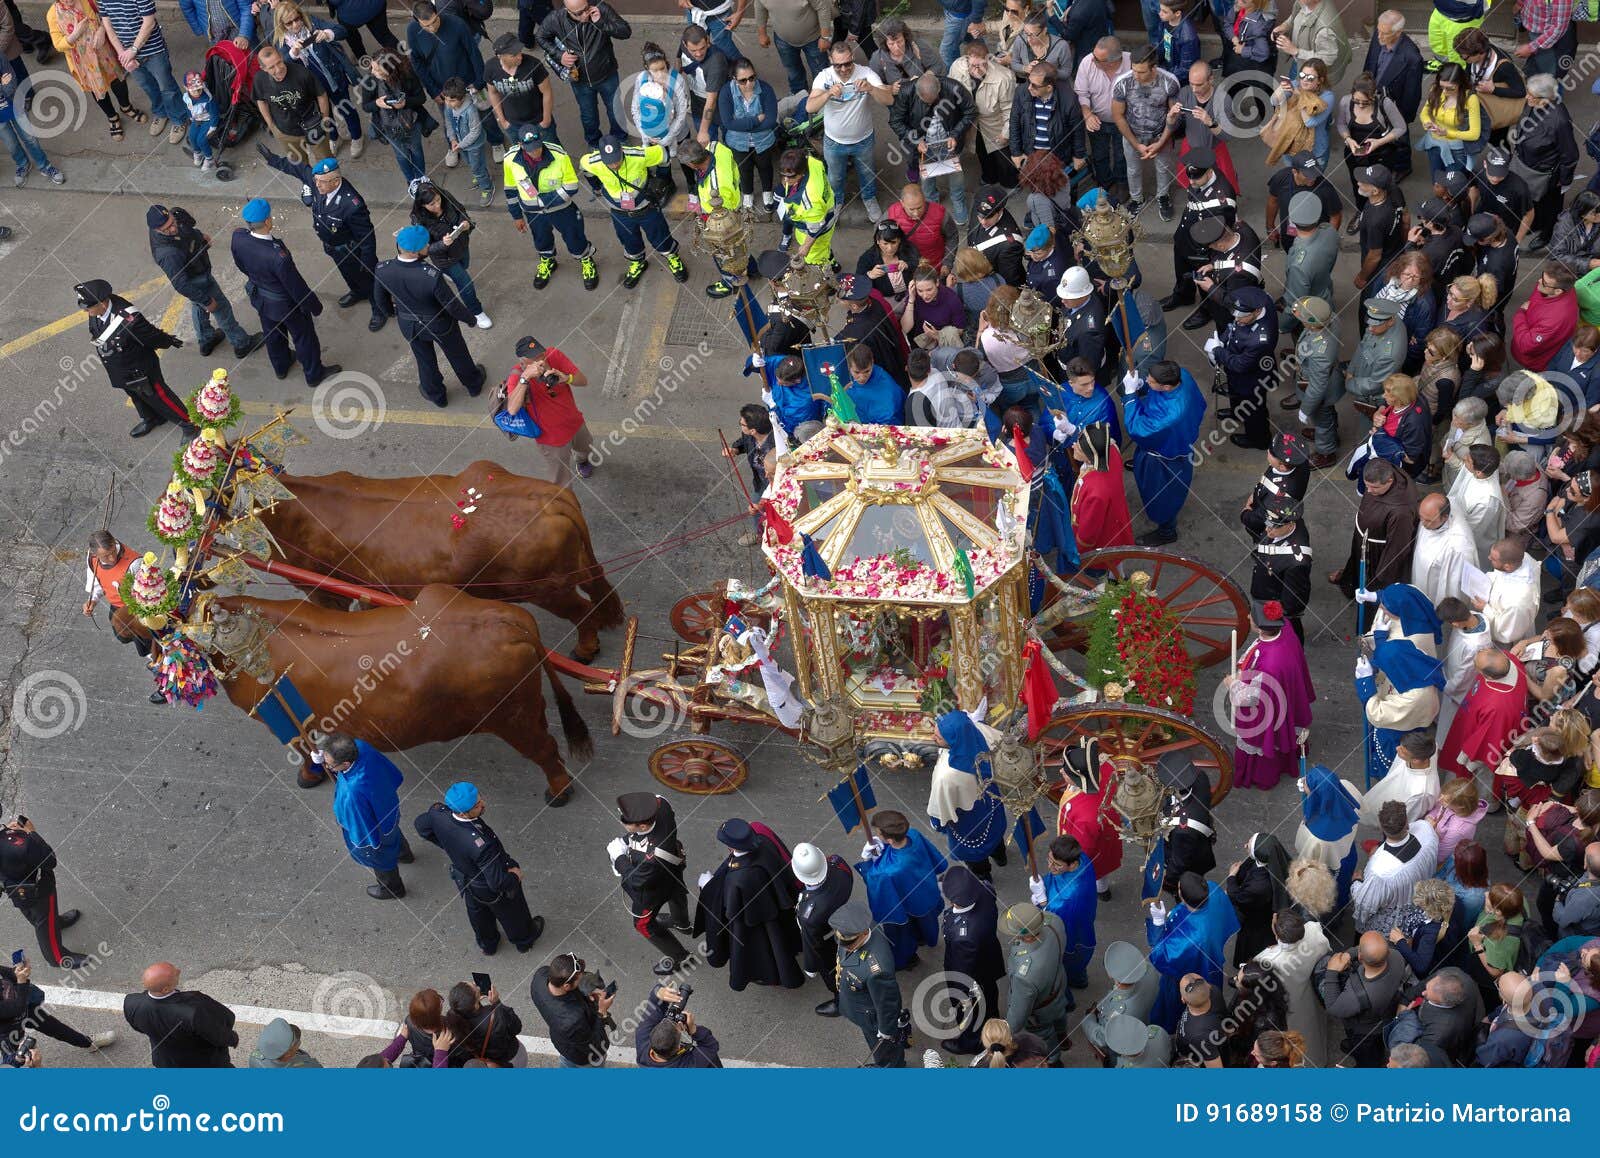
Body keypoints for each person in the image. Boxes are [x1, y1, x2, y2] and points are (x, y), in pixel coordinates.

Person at [256, 150, 388, 334]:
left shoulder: (351, 204)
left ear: (335, 182)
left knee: (367, 279)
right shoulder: (320, 182)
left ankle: (379, 308)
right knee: (347, 274)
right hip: (334, 247)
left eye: (321, 182)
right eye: (315, 180)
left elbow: (366, 235)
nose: (315, 185)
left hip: (352, 250)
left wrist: (368, 260)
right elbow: (298, 168)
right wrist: (273, 159)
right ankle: (357, 292)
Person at [414, 781, 545, 955]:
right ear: (463, 812)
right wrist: (515, 876)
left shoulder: (438, 813)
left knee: (478, 914)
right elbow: (498, 882)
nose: (483, 804)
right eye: (477, 805)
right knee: (513, 913)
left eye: (480, 798)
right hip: (487, 885)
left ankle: (488, 945)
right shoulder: (482, 846)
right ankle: (524, 940)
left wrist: (449, 847)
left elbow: (421, 826)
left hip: (466, 878)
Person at [373, 225, 486, 408]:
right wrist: (470, 319)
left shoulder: (383, 269)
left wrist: (393, 314)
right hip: (440, 324)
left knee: (424, 360)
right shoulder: (430, 275)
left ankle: (436, 395)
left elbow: (380, 299)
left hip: (409, 324)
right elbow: (451, 304)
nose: (428, 247)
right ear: (416, 252)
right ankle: (473, 384)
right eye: (426, 245)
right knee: (458, 355)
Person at [230, 199, 339, 387]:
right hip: (286, 304)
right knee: (304, 337)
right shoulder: (278, 256)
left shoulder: (238, 237)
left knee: (273, 334)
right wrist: (314, 306)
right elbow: (296, 287)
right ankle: (314, 374)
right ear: (267, 222)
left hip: (261, 298)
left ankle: (281, 366)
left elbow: (241, 265)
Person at [74, 278, 196, 440]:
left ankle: (188, 425)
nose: (85, 311)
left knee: (159, 396)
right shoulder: (97, 311)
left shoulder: (129, 318)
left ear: (102, 303)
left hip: (140, 367)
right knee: (135, 395)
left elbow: (151, 336)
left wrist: (168, 341)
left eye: (89, 307)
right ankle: (151, 418)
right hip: (119, 367)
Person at [696, 818, 804, 991]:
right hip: (777, 909)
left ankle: (770, 976)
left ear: (731, 847)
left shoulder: (738, 877)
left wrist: (707, 887)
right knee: (781, 946)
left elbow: (731, 910)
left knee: (764, 953)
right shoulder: (764, 846)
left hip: (752, 923)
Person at [581, 135, 689, 289]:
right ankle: (637, 262)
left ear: (622, 150)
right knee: (629, 240)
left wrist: (662, 180)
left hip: (647, 208)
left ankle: (671, 257)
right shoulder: (593, 161)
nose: (614, 164)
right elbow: (584, 168)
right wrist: (597, 187)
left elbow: (664, 156)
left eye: (616, 159)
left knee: (660, 235)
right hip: (619, 213)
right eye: (609, 162)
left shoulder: (638, 155)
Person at [317, 733, 414, 900]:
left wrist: (368, 845)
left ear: (346, 764)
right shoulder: (360, 747)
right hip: (387, 809)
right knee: (393, 834)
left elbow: (360, 827)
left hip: (374, 828)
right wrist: (322, 757)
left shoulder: (353, 793)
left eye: (330, 765)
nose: (327, 765)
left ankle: (392, 888)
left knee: (380, 856)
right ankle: (404, 855)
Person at [1231, 600, 1315, 790]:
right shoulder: (1285, 628)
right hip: (1287, 690)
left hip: (1269, 705)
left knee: (1264, 735)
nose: (1248, 616)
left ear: (1261, 628)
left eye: (1251, 616)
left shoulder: (1269, 665)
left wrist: (1233, 684)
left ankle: (1262, 775)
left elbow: (1249, 699)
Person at [806, 40, 891, 222]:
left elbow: (888, 100)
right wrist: (827, 94)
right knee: (835, 177)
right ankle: (836, 201)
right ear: (830, 60)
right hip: (834, 141)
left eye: (847, 63)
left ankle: (869, 198)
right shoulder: (824, 77)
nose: (844, 69)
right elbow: (810, 107)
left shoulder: (866, 73)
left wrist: (871, 88)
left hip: (863, 139)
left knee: (867, 173)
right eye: (838, 65)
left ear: (852, 57)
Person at [1123, 359, 1206, 545]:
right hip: (1171, 440)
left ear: (1167, 387)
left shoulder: (1171, 416)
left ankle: (1167, 531)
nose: (1148, 380)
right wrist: (1143, 385)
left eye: (1151, 381)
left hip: (1163, 458)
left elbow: (1137, 429)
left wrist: (1130, 395)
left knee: (1161, 495)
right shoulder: (1182, 374)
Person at [1147, 871, 1241, 1032]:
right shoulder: (1212, 889)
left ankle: (1171, 1028)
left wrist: (1157, 923)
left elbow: (1159, 954)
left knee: (1173, 1004)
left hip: (1187, 972)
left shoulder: (1191, 939)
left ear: (1181, 896)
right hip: (1211, 961)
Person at [0, 815, 92, 970]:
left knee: (35, 914)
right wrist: (31, 832)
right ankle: (58, 958)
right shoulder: (22, 843)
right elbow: (49, 860)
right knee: (44, 921)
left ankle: (55, 923)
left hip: (14, 887)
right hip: (38, 889)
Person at [535, 0, 631, 149]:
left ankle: (621, 138)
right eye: (578, 13)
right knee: (588, 116)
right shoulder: (556, 18)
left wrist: (601, 23)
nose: (584, 15)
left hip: (607, 73)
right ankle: (593, 143)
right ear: (567, 10)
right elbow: (541, 36)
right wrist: (559, 55)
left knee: (615, 110)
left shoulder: (600, 8)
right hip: (580, 79)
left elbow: (625, 31)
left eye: (585, 9)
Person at [857, 809, 945, 969]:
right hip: (926, 893)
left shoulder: (890, 870)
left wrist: (867, 860)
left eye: (880, 834)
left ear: (889, 840)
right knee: (927, 924)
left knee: (901, 935)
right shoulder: (914, 834)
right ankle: (925, 938)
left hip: (904, 903)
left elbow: (875, 879)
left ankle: (908, 959)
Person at [276, 1, 365, 160]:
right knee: (325, 114)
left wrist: (328, 33)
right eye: (289, 23)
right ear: (282, 25)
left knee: (346, 108)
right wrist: (293, 53)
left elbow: (342, 30)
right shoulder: (282, 42)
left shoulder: (312, 23)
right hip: (312, 88)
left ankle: (357, 136)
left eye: (297, 19)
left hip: (333, 76)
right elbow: (281, 67)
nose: (295, 24)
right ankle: (334, 138)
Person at [97, 0, 187, 145]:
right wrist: (124, 56)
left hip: (153, 51)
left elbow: (149, 23)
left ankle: (179, 118)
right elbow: (109, 29)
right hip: (127, 53)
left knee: (167, 87)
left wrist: (133, 50)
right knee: (148, 86)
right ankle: (160, 112)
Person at [47, 0, 138, 142]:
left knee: (118, 81)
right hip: (83, 63)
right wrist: (75, 34)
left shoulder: (88, 1)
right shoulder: (53, 14)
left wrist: (102, 29)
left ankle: (126, 107)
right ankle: (112, 117)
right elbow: (58, 44)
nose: (68, 1)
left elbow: (106, 14)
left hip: (104, 52)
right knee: (98, 91)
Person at [829, 899, 906, 1067]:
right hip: (859, 1004)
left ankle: (891, 1067)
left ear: (864, 933)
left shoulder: (878, 970)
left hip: (872, 1018)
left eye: (849, 943)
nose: (845, 947)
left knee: (884, 1050)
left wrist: (885, 1030)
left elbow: (887, 1004)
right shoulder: (856, 926)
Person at [1320, 932, 1413, 1066]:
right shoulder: (1397, 957)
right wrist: (1349, 954)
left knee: (1368, 1059)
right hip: (1385, 1015)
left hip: (1364, 1032)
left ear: (1360, 957)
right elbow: (1371, 952)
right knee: (1377, 1045)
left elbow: (1333, 1007)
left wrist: (1331, 972)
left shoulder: (1357, 995)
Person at [939, 864, 1004, 1054]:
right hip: (989, 958)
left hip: (971, 975)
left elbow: (961, 973)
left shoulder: (963, 936)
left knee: (969, 1012)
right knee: (990, 995)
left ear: (954, 902)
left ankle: (971, 1042)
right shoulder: (985, 889)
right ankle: (993, 1020)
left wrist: (958, 996)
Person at [122, 962, 238, 1067]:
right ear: (165, 989)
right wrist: (232, 1038)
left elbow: (138, 1027)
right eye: (175, 974)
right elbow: (221, 1026)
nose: (179, 971)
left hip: (165, 1062)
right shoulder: (195, 1008)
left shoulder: (131, 1002)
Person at [1111, 47, 1178, 220]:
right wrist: (1136, 144)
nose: (1135, 75)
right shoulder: (1122, 83)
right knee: (1132, 170)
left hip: (1160, 134)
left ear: (1154, 68)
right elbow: (1118, 116)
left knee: (1163, 169)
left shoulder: (1169, 82)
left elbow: (1174, 116)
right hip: (1132, 135)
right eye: (1133, 70)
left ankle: (1163, 197)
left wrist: (1161, 142)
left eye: (1141, 72)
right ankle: (1136, 199)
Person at [1000, 902, 1070, 1060]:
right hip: (1058, 984)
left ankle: (1054, 1059)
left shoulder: (1024, 975)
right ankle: (1063, 1038)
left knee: (1044, 1036)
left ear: (1027, 935)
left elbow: (1017, 1017)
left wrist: (1003, 1033)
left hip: (1041, 1009)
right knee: (1060, 1015)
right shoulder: (1055, 921)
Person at [790, 841, 852, 1016]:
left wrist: (810, 966)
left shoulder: (809, 915)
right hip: (845, 919)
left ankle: (841, 1002)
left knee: (832, 972)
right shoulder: (839, 865)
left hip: (827, 940)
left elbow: (812, 944)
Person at [948, 38, 1017, 189]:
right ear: (966, 60)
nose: (977, 70)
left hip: (995, 125)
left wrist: (1006, 133)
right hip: (972, 123)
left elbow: (1009, 110)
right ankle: (989, 177)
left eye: (982, 65)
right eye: (973, 65)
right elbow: (950, 90)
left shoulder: (1004, 78)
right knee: (982, 152)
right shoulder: (957, 67)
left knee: (1004, 158)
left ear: (988, 59)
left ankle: (1011, 184)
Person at [362, 49, 435, 188]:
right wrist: (377, 103)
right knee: (402, 155)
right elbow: (366, 106)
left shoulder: (407, 75)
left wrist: (405, 102)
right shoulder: (369, 80)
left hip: (411, 121)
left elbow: (421, 98)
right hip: (387, 125)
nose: (373, 72)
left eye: (378, 69)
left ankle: (421, 177)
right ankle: (411, 181)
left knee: (416, 151)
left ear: (391, 70)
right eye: (372, 67)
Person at [1031, 834, 1095, 990]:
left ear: (1072, 865)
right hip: (1080, 924)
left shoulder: (1071, 897)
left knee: (1070, 964)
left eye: (1057, 865)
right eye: (1049, 860)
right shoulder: (1082, 858)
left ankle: (1078, 982)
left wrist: (1040, 899)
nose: (1050, 867)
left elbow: (1051, 916)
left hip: (1072, 935)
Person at [1295, 764, 1365, 908]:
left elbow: (1308, 857)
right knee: (1343, 889)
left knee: (1330, 897)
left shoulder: (1318, 837)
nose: (1304, 784)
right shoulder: (1346, 787)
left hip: (1332, 867)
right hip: (1349, 853)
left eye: (1307, 784)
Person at [251, 44, 332, 166]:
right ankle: (309, 184)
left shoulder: (301, 73)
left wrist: (324, 119)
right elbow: (261, 101)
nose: (278, 69)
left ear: (282, 57)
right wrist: (271, 125)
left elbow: (321, 94)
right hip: (286, 132)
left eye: (279, 62)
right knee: (300, 165)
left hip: (313, 125)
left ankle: (332, 183)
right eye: (271, 67)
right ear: (263, 68)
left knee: (326, 163)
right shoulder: (259, 79)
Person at [530, 953, 612, 1067]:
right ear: (566, 986)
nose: (582, 978)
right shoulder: (573, 1021)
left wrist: (584, 992)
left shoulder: (541, 975)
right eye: (579, 979)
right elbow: (597, 1046)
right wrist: (602, 1012)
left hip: (563, 1042)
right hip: (582, 1057)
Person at [1082, 940, 1159, 1062]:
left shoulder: (1120, 1011)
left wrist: (1087, 1020)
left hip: (1125, 1045)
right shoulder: (1150, 970)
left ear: (1110, 975)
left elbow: (1102, 1038)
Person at [1073, 36, 1130, 196]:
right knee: (1099, 154)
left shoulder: (1131, 63)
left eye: (1098, 59)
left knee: (1122, 155)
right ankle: (1104, 183)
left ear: (1113, 61)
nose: (1093, 60)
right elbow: (1081, 93)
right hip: (1096, 120)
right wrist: (1087, 113)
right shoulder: (1087, 62)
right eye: (1093, 55)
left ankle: (1122, 183)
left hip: (1124, 122)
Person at [1069, 423, 1133, 552]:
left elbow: (1087, 535)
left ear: (1091, 456)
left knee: (1099, 570)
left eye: (1080, 449)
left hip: (1102, 541)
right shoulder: (1111, 450)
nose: (1073, 446)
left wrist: (1079, 549)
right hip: (1116, 520)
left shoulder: (1095, 492)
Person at [1365, 729, 1443, 830]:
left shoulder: (1420, 794)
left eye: (1402, 751)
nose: (1397, 749)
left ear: (1415, 760)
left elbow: (1406, 821)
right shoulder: (1429, 749)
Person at [752, 0, 831, 96]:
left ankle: (823, 94)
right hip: (783, 39)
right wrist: (761, 34)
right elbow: (759, 7)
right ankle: (798, 92)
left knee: (820, 70)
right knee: (792, 69)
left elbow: (823, 7)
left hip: (814, 38)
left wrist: (825, 37)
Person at [483, 32, 553, 141]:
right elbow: (492, 92)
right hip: (513, 126)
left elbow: (547, 92)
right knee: (521, 155)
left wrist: (546, 120)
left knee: (553, 152)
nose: (520, 57)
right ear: (500, 56)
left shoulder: (534, 64)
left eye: (520, 52)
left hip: (538, 122)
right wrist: (502, 120)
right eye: (514, 55)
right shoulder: (491, 68)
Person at [1513, 266, 1579, 373]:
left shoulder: (1555, 319)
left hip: (1533, 361)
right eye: (1541, 277)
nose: (1539, 281)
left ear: (1558, 291)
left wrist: (1520, 314)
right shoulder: (1555, 287)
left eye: (1544, 282)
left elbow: (1526, 344)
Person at [1361, 11, 1423, 124]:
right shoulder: (1380, 33)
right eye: (1378, 30)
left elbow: (1411, 95)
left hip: (1389, 111)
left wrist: (1400, 122)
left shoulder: (1413, 58)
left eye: (1384, 33)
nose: (1379, 36)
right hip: (1368, 100)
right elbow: (1369, 63)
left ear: (1398, 32)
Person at [636, 985, 720, 1068]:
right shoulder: (690, 1065)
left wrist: (657, 993)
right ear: (678, 1047)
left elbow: (653, 1007)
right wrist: (694, 1029)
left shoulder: (642, 1039)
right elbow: (710, 1046)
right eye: (679, 1029)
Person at [1272, 0, 1351, 86]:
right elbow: (1296, 14)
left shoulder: (1325, 30)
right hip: (1300, 61)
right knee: (1293, 85)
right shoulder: (1305, 3)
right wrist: (1285, 25)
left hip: (1313, 74)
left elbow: (1327, 59)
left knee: (1303, 95)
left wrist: (1296, 51)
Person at [440, 78, 492, 206]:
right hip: (460, 144)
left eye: (452, 100)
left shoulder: (470, 110)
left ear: (462, 98)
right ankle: (480, 175)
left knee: (476, 166)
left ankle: (487, 187)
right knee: (471, 163)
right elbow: (448, 123)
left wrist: (460, 144)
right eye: (446, 99)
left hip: (474, 145)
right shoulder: (448, 107)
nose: (448, 103)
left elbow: (475, 131)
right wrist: (452, 139)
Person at [1552, 843, 1600, 939]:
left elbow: (1563, 920)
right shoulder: (1592, 877)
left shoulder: (1583, 899)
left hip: (1573, 936)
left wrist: (1557, 902)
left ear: (1585, 864)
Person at [248, 1018, 321, 1068]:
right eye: (297, 1043)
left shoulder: (255, 1059)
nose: (299, 1044)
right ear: (288, 1054)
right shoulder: (307, 1066)